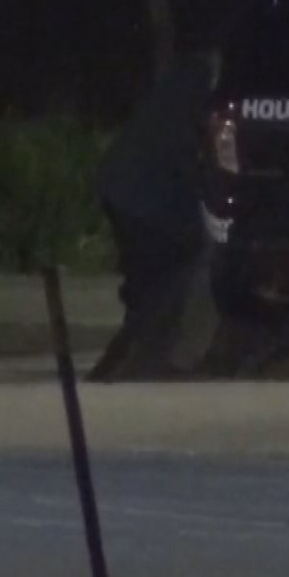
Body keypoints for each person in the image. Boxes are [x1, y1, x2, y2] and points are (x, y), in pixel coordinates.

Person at [94, 47, 218, 356]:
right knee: (158, 274)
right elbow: (185, 153)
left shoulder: (191, 76)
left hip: (126, 187)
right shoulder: (201, 83)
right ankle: (142, 350)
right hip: (140, 195)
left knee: (151, 274)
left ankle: (141, 347)